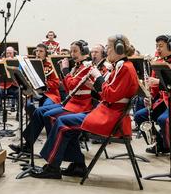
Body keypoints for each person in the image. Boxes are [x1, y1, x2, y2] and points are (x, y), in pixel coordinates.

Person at [31, 34, 138, 179]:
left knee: (62, 122)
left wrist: (99, 78)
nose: (106, 51)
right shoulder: (121, 67)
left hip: (111, 119)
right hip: (106, 112)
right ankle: (78, 165)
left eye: (108, 47)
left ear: (118, 49)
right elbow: (108, 94)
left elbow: (110, 95)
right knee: (63, 123)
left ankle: (52, 167)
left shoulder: (125, 68)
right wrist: (95, 88)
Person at [9, 40, 104, 155]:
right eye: (71, 51)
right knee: (39, 111)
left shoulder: (87, 67)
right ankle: (28, 145)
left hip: (81, 106)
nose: (72, 54)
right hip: (71, 103)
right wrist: (64, 72)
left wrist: (64, 70)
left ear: (84, 52)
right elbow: (66, 86)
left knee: (48, 115)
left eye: (75, 51)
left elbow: (71, 85)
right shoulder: (76, 68)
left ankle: (53, 148)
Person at [135, 35, 171, 158]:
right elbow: (154, 89)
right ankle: (159, 144)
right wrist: (149, 96)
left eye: (161, 46)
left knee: (163, 119)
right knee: (139, 116)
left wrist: (158, 82)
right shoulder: (158, 62)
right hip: (162, 102)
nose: (158, 49)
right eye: (156, 46)